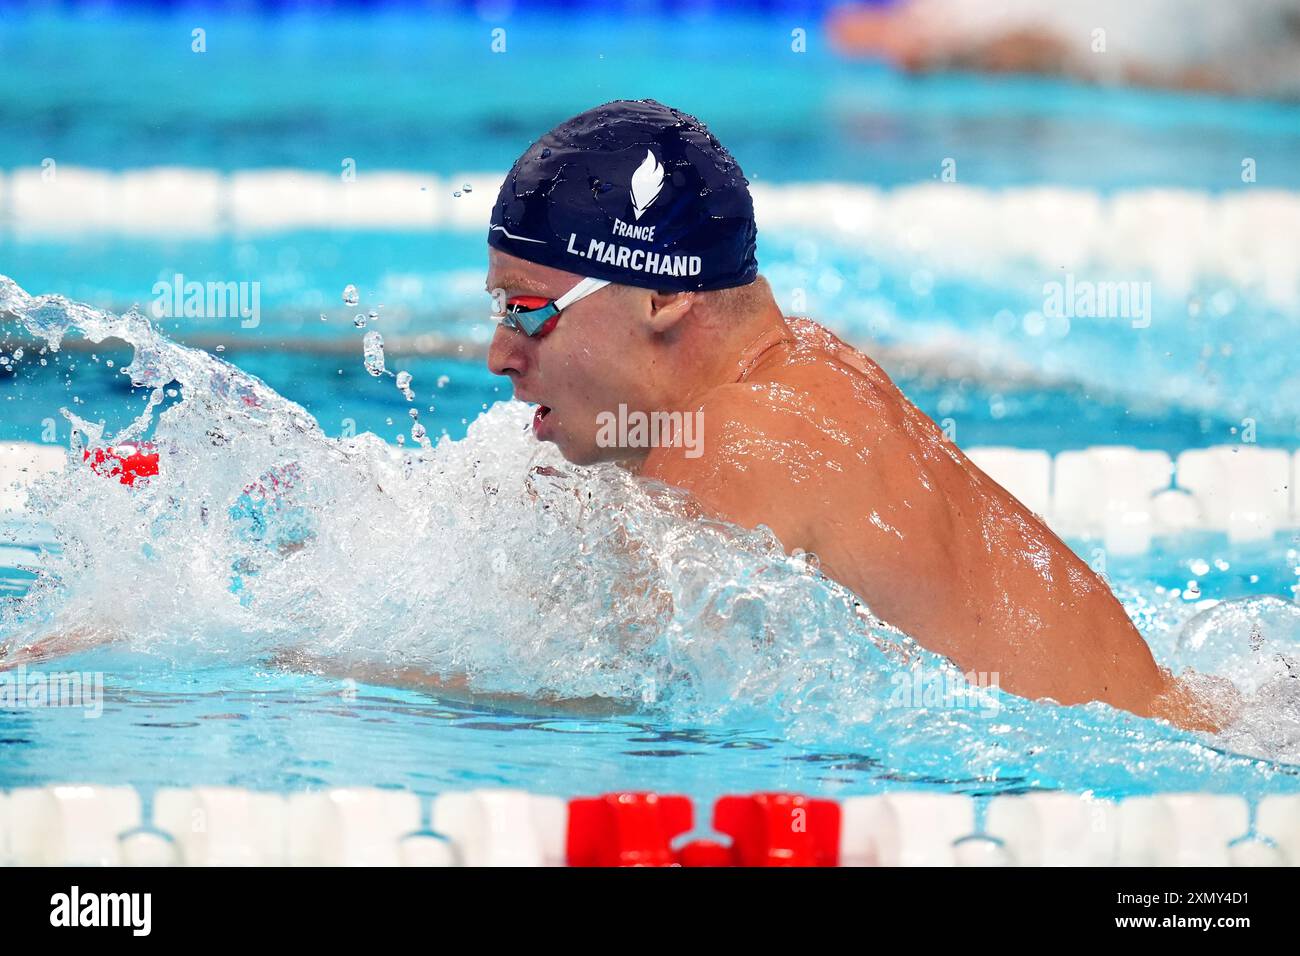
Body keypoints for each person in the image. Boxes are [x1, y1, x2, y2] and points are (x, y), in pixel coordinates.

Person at [484, 98, 1233, 732]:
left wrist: (372, 680)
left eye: (525, 311)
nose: (499, 354)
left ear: (663, 297)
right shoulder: (802, 371)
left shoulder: (734, 443)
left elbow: (606, 699)